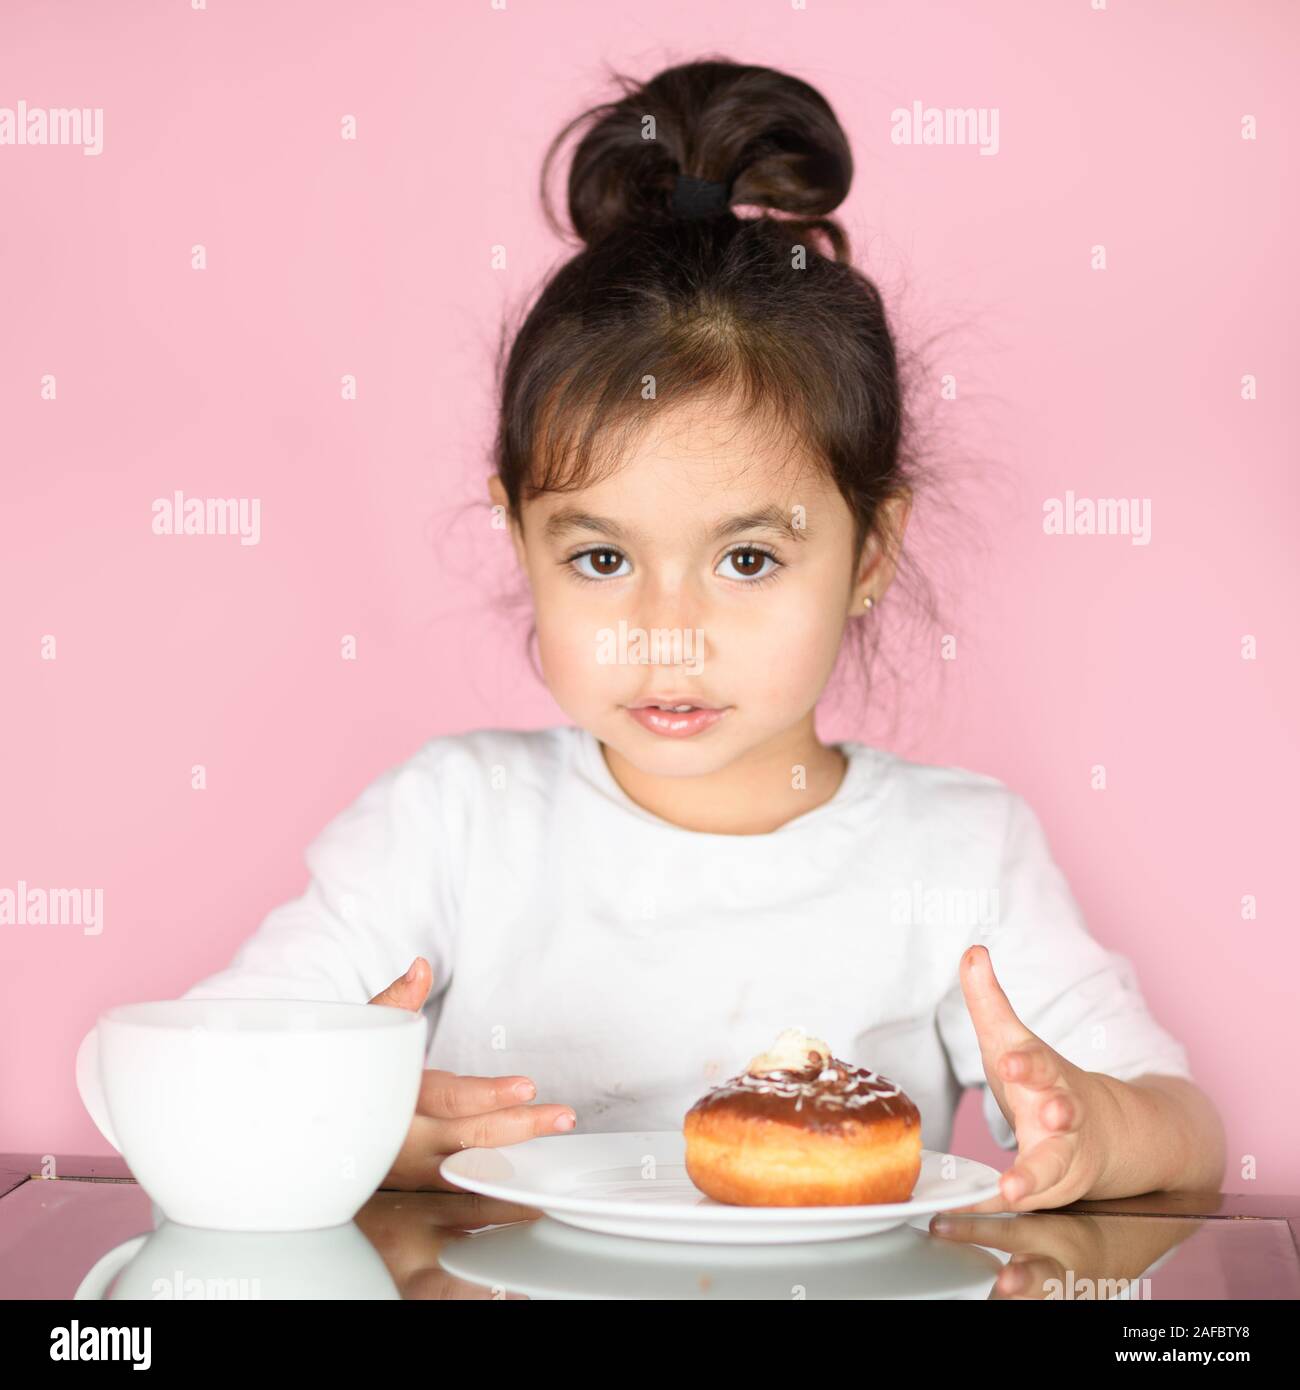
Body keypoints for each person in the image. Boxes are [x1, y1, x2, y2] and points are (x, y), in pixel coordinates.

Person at [179, 58, 1225, 1211]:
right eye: (601, 558)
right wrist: (353, 1117)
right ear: (519, 540)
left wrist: (1093, 1127)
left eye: (746, 560)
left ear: (868, 553)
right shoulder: (451, 824)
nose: (663, 634)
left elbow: (1180, 1126)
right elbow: (198, 1071)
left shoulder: (959, 855)